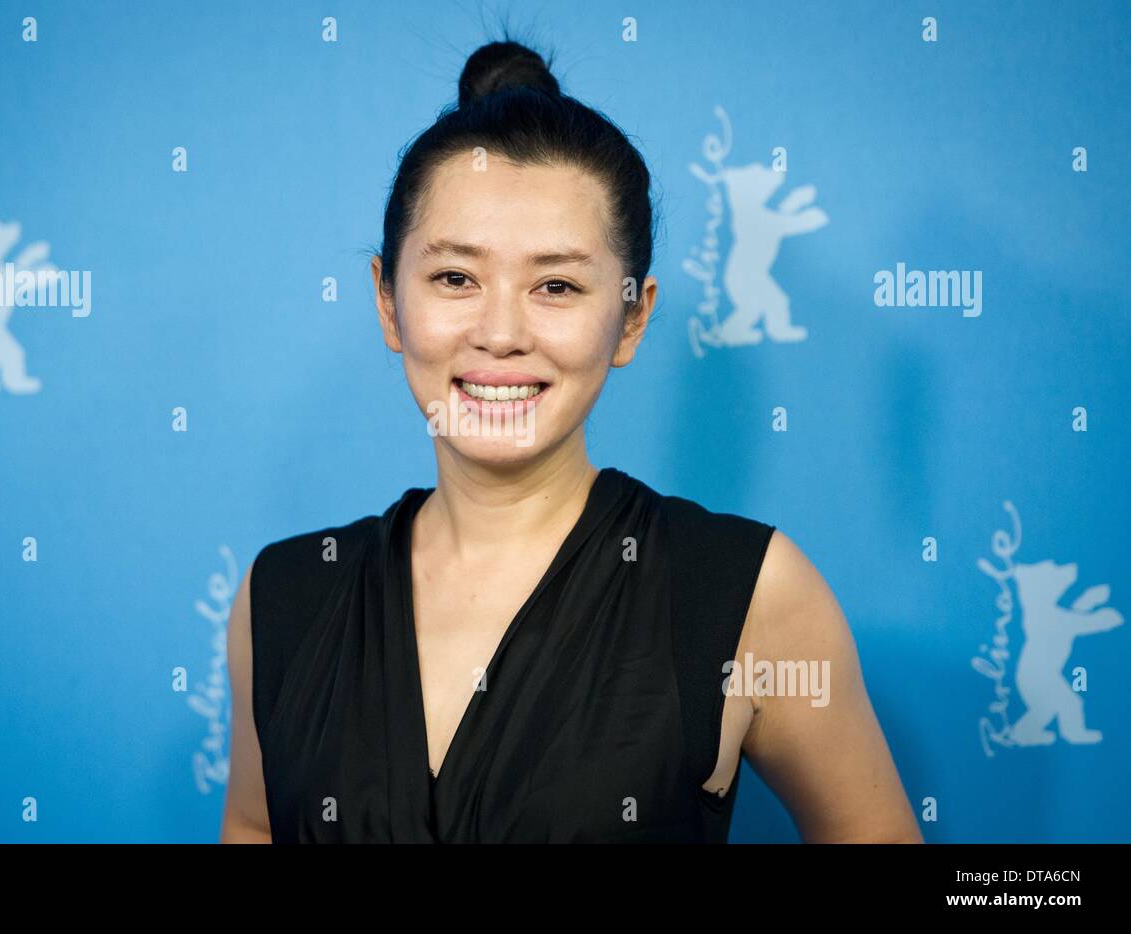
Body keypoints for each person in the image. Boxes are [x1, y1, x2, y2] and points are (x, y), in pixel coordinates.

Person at [220, 39, 922, 843]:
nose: (501, 333)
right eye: (455, 278)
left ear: (631, 317)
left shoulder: (745, 595)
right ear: (388, 301)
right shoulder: (287, 597)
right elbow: (252, 827)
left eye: (556, 285)